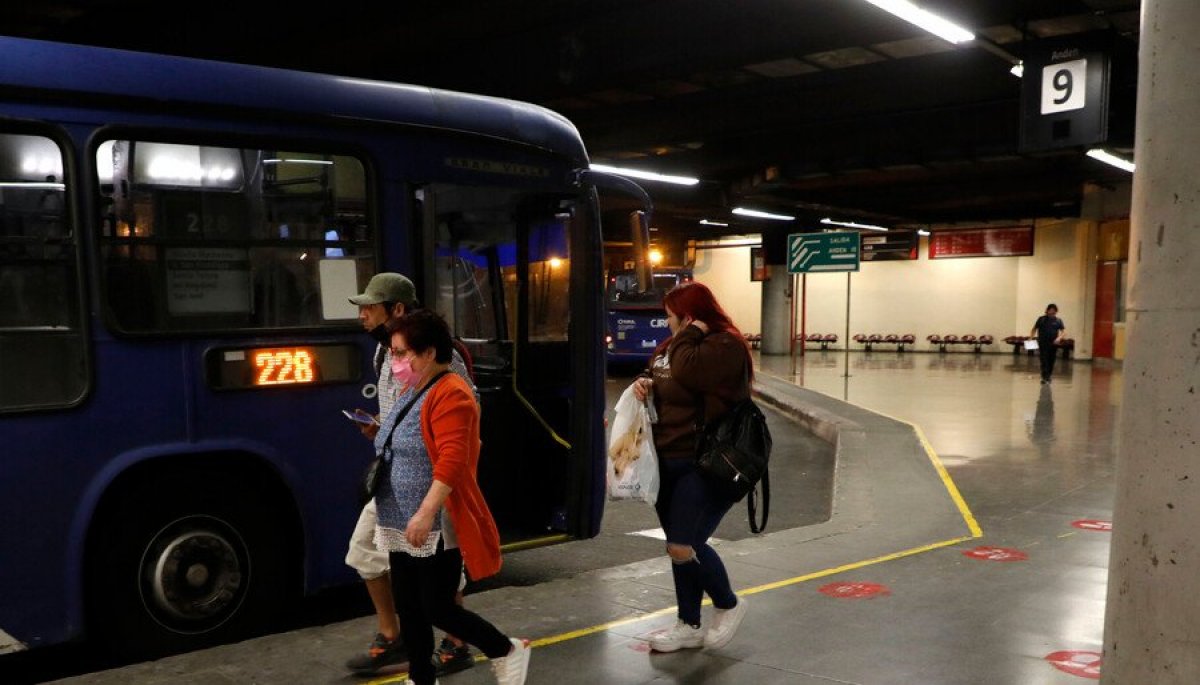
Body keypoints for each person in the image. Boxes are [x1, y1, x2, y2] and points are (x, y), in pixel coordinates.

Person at [375, 310, 531, 685]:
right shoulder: (414, 389)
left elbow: (453, 460)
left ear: (428, 353)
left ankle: (505, 649)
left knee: (438, 607)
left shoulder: (451, 391)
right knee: (409, 605)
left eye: (400, 353)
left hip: (433, 521)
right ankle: (421, 676)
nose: (395, 362)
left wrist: (426, 512)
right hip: (400, 517)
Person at [343, 272, 475, 677]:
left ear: (397, 309)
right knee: (366, 552)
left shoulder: (440, 355)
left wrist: (442, 480)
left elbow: (463, 415)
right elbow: (406, 409)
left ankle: (467, 644)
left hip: (428, 478)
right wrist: (380, 424)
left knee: (434, 568)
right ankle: (398, 637)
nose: (363, 315)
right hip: (393, 475)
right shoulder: (385, 353)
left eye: (370, 307)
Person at [629, 281, 751, 653]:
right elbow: (666, 375)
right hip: (667, 458)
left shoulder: (723, 346)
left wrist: (690, 334)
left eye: (670, 316)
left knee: (685, 543)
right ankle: (688, 624)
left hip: (704, 462)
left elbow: (690, 373)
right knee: (676, 546)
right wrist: (644, 383)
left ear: (690, 316)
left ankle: (728, 604)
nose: (666, 324)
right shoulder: (674, 348)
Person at [1030, 303, 1066, 384]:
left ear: (1056, 312)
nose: (1052, 312)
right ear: (1047, 310)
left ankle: (1048, 376)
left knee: (1051, 360)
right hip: (1043, 343)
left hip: (1053, 344)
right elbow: (1034, 329)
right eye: (1050, 310)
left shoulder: (1058, 321)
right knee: (1044, 360)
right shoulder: (1041, 319)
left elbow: (1063, 332)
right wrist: (1031, 338)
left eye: (1054, 311)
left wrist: (1059, 338)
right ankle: (1044, 377)